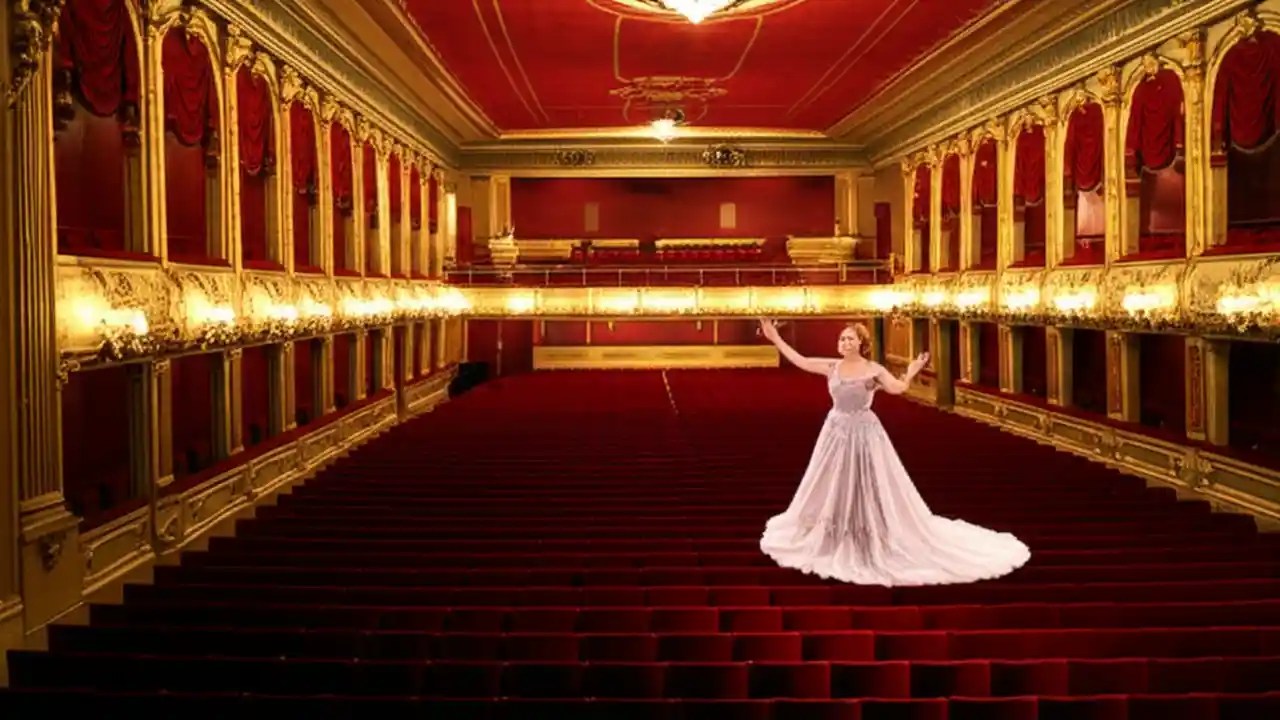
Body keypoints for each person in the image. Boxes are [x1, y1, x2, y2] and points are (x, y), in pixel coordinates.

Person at [756, 318, 1030, 586]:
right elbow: (801, 360)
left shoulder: (873, 370)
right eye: (841, 338)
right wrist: (775, 338)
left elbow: (898, 389)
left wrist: (910, 371)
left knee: (868, 482)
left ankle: (871, 532)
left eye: (850, 338)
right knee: (832, 481)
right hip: (835, 430)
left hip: (864, 432)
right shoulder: (832, 367)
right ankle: (836, 528)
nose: (844, 342)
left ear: (861, 343)